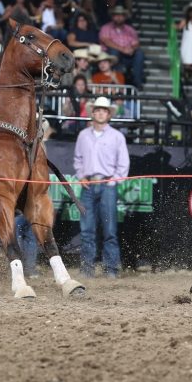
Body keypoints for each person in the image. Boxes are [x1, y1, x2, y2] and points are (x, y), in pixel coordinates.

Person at [74, 96, 130, 278]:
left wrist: (113, 181)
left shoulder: (117, 137)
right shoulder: (83, 136)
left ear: (108, 114)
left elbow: (123, 164)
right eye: (97, 110)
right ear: (93, 112)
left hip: (107, 185)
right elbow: (78, 159)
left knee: (110, 230)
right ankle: (87, 269)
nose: (100, 113)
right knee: (86, 231)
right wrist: (81, 176)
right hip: (88, 185)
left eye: (103, 110)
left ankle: (111, 269)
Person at [98, 5, 145, 89]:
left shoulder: (130, 29)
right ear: (113, 16)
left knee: (139, 53)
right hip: (111, 56)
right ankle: (118, 79)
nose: (119, 17)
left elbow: (136, 43)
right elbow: (106, 41)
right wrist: (122, 49)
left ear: (124, 17)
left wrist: (132, 49)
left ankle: (137, 81)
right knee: (114, 51)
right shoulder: (106, 27)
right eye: (116, 15)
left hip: (127, 55)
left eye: (121, 15)